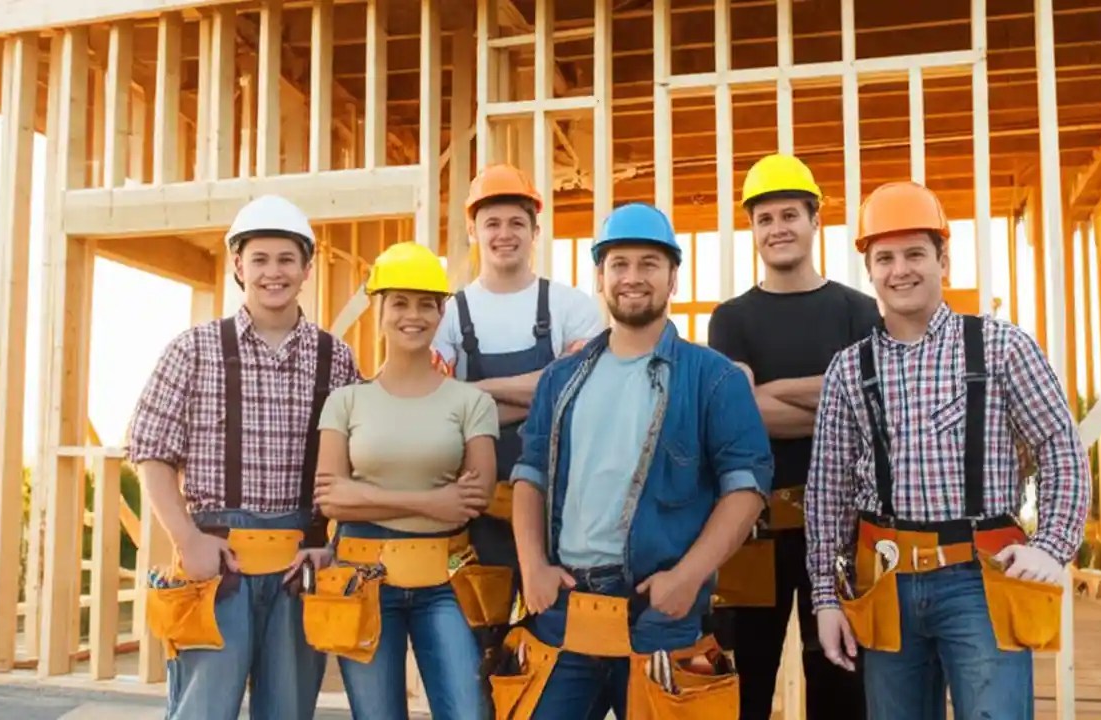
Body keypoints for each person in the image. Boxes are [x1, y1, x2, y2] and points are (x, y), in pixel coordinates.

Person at [805, 181, 1091, 719]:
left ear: (943, 261)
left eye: (915, 254)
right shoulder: (849, 369)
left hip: (981, 579)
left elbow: (1061, 449)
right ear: (870, 270)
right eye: (885, 258)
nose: (900, 270)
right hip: (886, 582)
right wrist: (825, 597)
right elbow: (829, 492)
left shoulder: (1001, 347)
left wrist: (1051, 547)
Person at [488, 202, 774, 719]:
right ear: (600, 276)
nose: (633, 277)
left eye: (649, 264)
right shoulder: (560, 379)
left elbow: (746, 488)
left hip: (661, 614)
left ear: (673, 278)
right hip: (565, 609)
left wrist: (688, 577)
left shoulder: (713, 379)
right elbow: (530, 475)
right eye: (619, 264)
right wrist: (533, 567)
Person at [128, 194, 362, 720]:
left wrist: (331, 544)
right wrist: (186, 539)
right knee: (203, 710)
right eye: (259, 259)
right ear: (238, 265)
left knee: (288, 710)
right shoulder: (193, 350)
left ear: (306, 268)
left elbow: (360, 464)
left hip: (300, 567)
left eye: (286, 259)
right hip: (216, 564)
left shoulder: (337, 358)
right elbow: (149, 451)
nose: (273, 272)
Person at [708, 153, 877, 719]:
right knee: (742, 689)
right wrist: (837, 392)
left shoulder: (859, 312)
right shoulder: (731, 319)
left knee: (840, 685)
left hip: (843, 532)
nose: (777, 228)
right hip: (752, 530)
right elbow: (739, 415)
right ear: (752, 229)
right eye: (765, 219)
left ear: (814, 221)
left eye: (789, 215)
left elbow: (871, 409)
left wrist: (770, 392)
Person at [307, 241, 501, 720]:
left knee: (469, 713)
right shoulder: (345, 401)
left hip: (446, 582)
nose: (412, 316)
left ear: (440, 313)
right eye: (399, 302)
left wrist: (363, 495)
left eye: (425, 304)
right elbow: (332, 500)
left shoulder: (471, 403)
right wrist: (433, 503)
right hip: (363, 582)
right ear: (379, 309)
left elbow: (474, 499)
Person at [432, 163, 605, 674]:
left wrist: (475, 393)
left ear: (535, 230)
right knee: (480, 653)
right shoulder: (448, 313)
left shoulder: (571, 305)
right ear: (473, 230)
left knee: (552, 651)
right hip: (475, 512)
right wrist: (543, 390)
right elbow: (438, 408)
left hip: (559, 512)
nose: (504, 234)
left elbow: (580, 391)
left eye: (516, 222)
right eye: (492, 223)